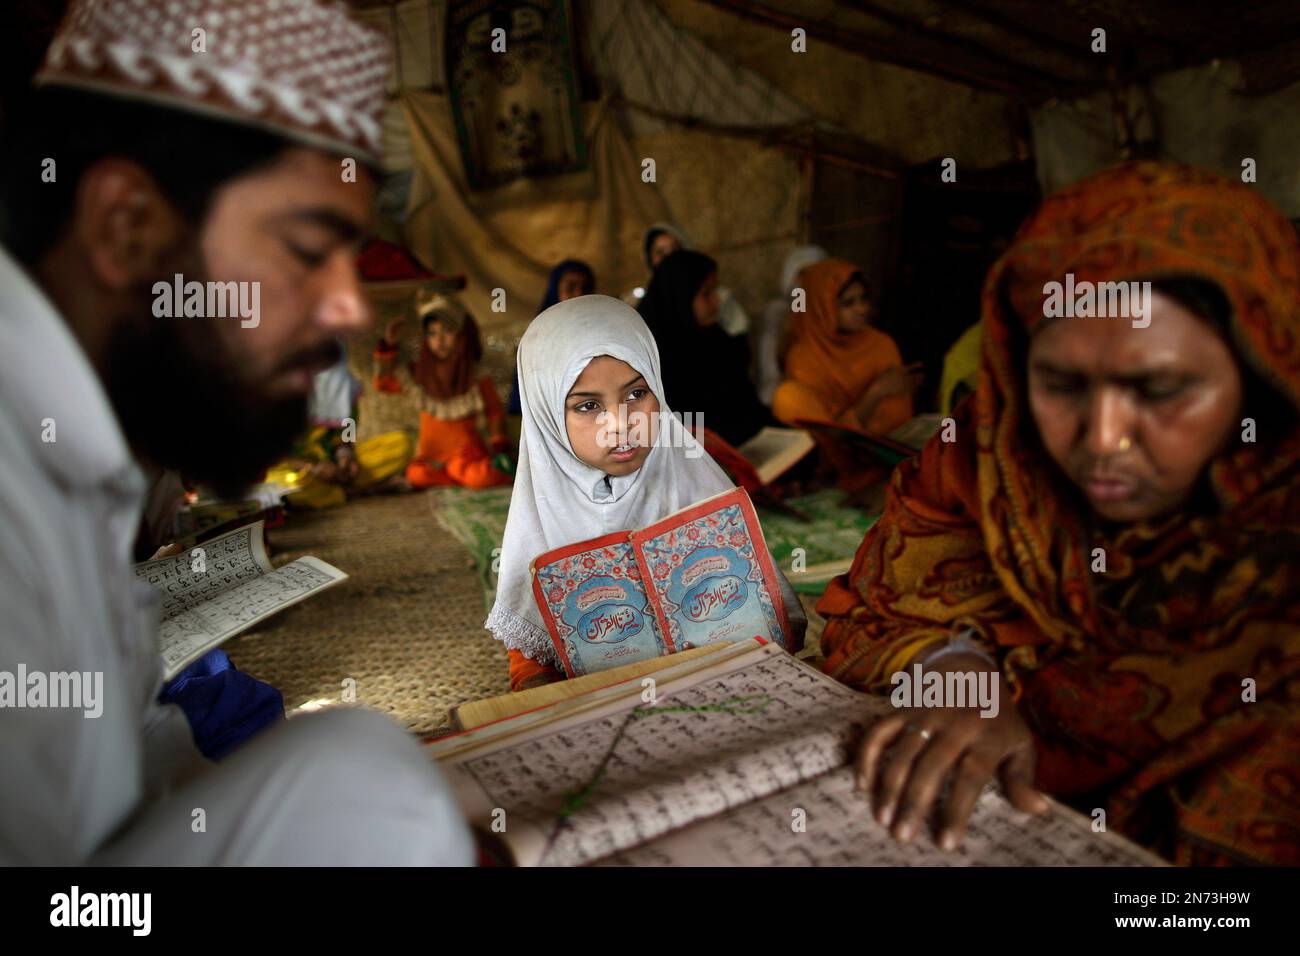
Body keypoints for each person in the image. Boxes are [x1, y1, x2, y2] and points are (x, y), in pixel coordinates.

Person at [0, 0, 472, 865]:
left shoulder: (84, 451)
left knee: (355, 777)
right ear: (125, 224)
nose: (346, 309)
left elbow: (125, 774)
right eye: (304, 247)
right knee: (372, 788)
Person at [817, 161, 1300, 865]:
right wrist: (956, 666)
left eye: (1161, 388)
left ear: (1261, 374)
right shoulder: (983, 457)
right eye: (1060, 383)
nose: (1102, 439)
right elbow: (870, 609)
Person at [484, 295, 806, 690]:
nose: (620, 424)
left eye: (637, 394)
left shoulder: (696, 483)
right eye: (587, 405)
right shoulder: (539, 518)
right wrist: (550, 690)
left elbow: (774, 621)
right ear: (546, 413)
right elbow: (530, 666)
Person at [375, 290, 512, 489]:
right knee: (417, 474)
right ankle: (453, 478)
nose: (439, 340)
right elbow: (383, 383)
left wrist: (500, 448)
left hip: (466, 456)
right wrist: (389, 345)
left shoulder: (475, 376)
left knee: (479, 477)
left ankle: (460, 476)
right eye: (432, 333)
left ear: (462, 335)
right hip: (433, 458)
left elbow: (494, 413)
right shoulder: (419, 375)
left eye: (447, 331)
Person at [638, 250, 776, 446]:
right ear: (680, 298)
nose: (717, 300)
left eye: (715, 291)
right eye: (706, 293)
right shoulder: (655, 359)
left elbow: (746, 405)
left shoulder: (715, 339)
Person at [771, 258, 918, 434]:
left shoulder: (881, 345)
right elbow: (830, 436)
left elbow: (894, 422)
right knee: (787, 398)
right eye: (848, 303)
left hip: (881, 451)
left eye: (864, 299)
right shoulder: (804, 358)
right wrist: (875, 394)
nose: (862, 309)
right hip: (830, 453)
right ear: (822, 308)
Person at [267, 344, 415, 508]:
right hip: (297, 469)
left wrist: (345, 458)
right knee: (279, 485)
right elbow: (270, 452)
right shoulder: (283, 393)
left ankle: (338, 489)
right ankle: (360, 490)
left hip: (333, 466)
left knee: (401, 443)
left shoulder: (345, 390)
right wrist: (312, 468)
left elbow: (347, 434)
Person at [624, 222, 750, 336]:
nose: (670, 257)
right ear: (650, 260)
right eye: (660, 252)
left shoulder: (718, 298)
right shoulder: (643, 309)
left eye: (676, 249)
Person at [508, 258, 596, 414]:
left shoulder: (601, 332)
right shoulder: (539, 335)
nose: (579, 294)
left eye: (586, 287)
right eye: (571, 287)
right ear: (555, 289)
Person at [754, 245, 827, 405]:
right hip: (781, 395)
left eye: (817, 273)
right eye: (803, 274)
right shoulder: (777, 312)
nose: (810, 280)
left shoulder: (833, 310)